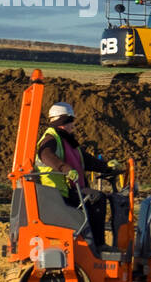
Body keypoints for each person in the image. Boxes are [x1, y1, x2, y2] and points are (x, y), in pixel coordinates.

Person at [36, 102, 120, 246]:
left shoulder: (66, 140)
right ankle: (98, 244)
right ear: (62, 121)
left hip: (68, 189)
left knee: (95, 197)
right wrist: (66, 169)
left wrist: (107, 168)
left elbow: (85, 160)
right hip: (58, 193)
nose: (73, 125)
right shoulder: (50, 139)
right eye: (70, 122)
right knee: (96, 198)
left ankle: (94, 243)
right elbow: (46, 155)